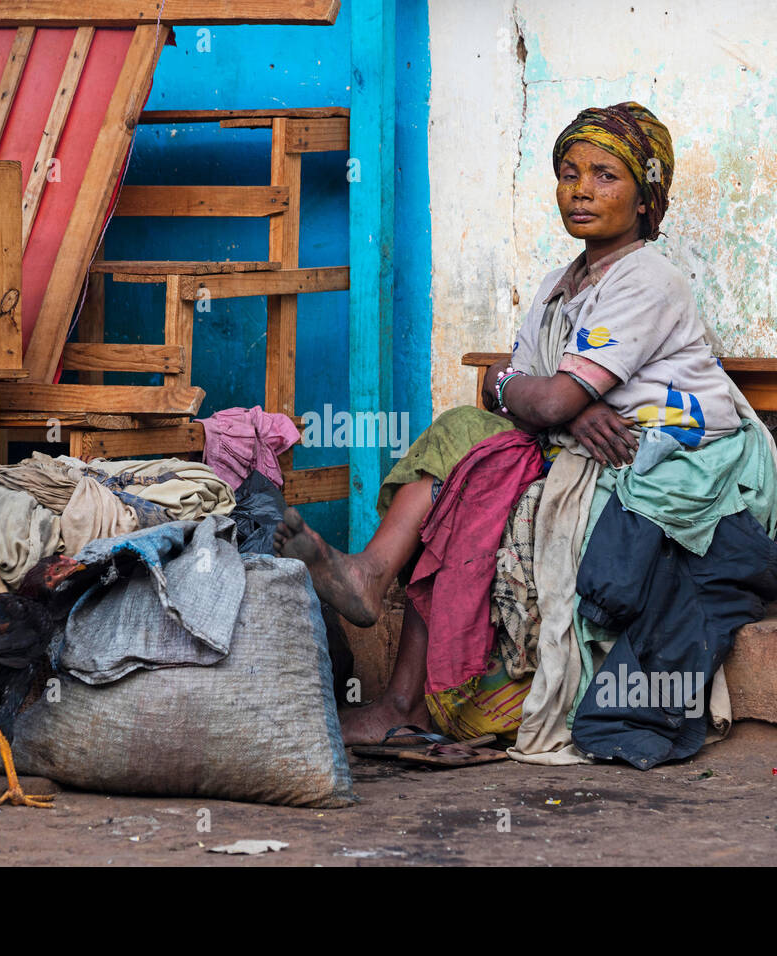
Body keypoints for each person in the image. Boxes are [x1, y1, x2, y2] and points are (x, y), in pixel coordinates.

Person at [276, 102, 752, 747]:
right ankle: (393, 667)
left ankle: (390, 651)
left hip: (672, 457)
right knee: (471, 449)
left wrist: (543, 396)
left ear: (646, 197)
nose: (581, 189)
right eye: (568, 172)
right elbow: (525, 399)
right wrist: (548, 399)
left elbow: (539, 398)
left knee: (472, 460)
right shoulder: (563, 284)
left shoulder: (648, 280)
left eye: (606, 175)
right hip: (587, 446)